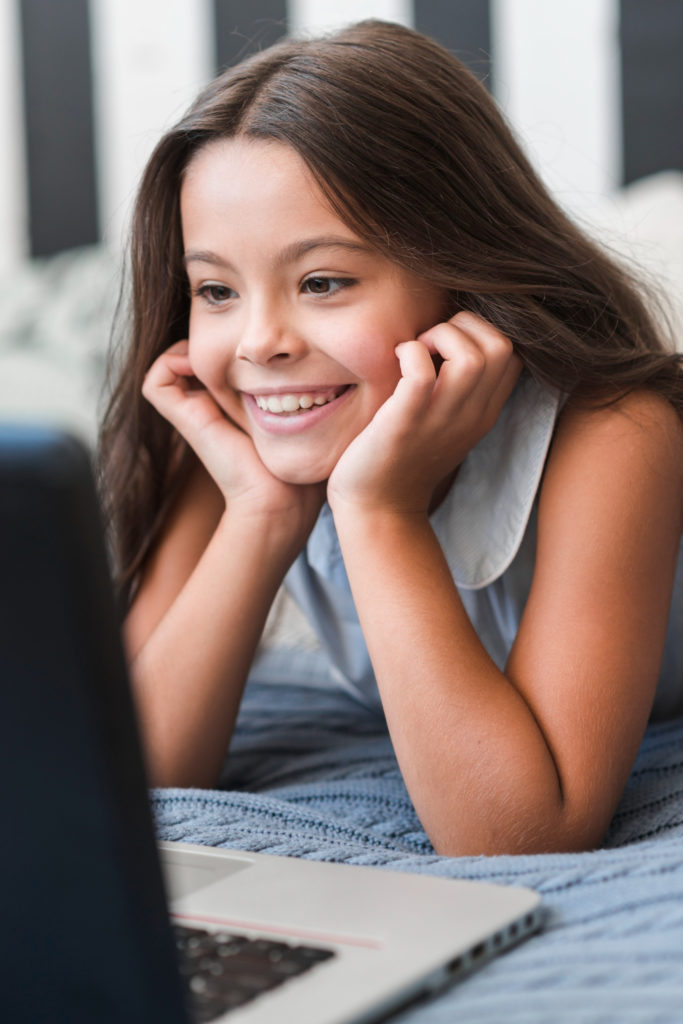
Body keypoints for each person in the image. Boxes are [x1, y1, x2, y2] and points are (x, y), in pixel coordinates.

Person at [98, 19, 683, 857]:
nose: (261, 342)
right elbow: (132, 774)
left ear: (460, 276)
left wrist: (379, 510)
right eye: (216, 291)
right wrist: (263, 513)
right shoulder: (234, 440)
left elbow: (520, 830)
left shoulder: (613, 432)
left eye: (322, 281)